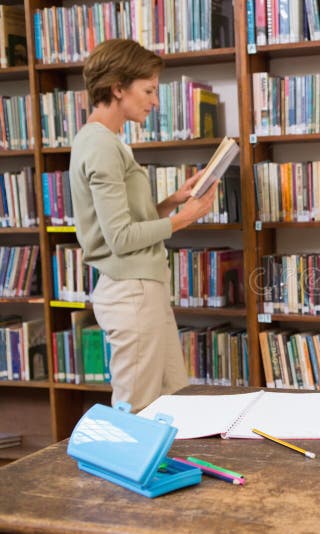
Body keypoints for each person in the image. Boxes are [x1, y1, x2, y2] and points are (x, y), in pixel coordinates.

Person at [69, 39, 218, 412]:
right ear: (118, 87)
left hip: (142, 290)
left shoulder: (104, 142)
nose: (154, 101)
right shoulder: (101, 145)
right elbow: (119, 238)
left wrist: (171, 202)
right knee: (137, 410)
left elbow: (120, 221)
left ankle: (169, 472)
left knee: (172, 400)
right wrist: (183, 219)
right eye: (148, 90)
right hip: (130, 292)